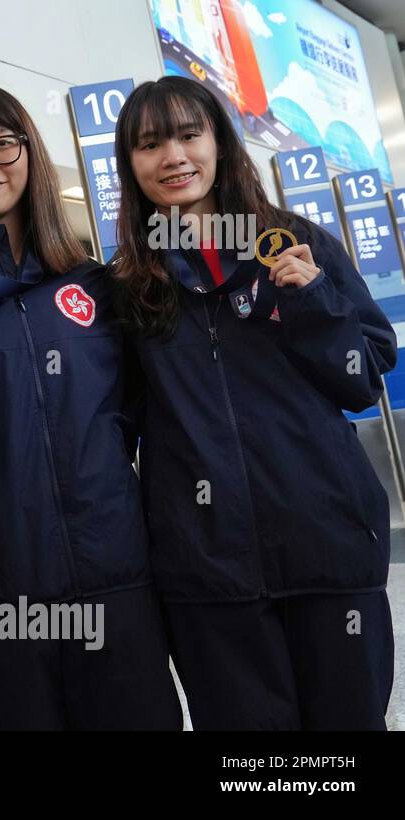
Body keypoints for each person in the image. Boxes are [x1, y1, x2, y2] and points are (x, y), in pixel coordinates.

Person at [0, 84, 182, 730]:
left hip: (115, 583)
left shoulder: (97, 287)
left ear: (30, 153)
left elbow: (138, 424)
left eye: (1, 144)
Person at [111, 76, 396, 729]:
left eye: (189, 134)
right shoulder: (131, 283)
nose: (173, 157)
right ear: (129, 164)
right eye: (150, 144)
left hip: (327, 546)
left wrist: (313, 305)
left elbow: (366, 372)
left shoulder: (297, 243)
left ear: (218, 140)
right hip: (208, 571)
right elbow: (115, 423)